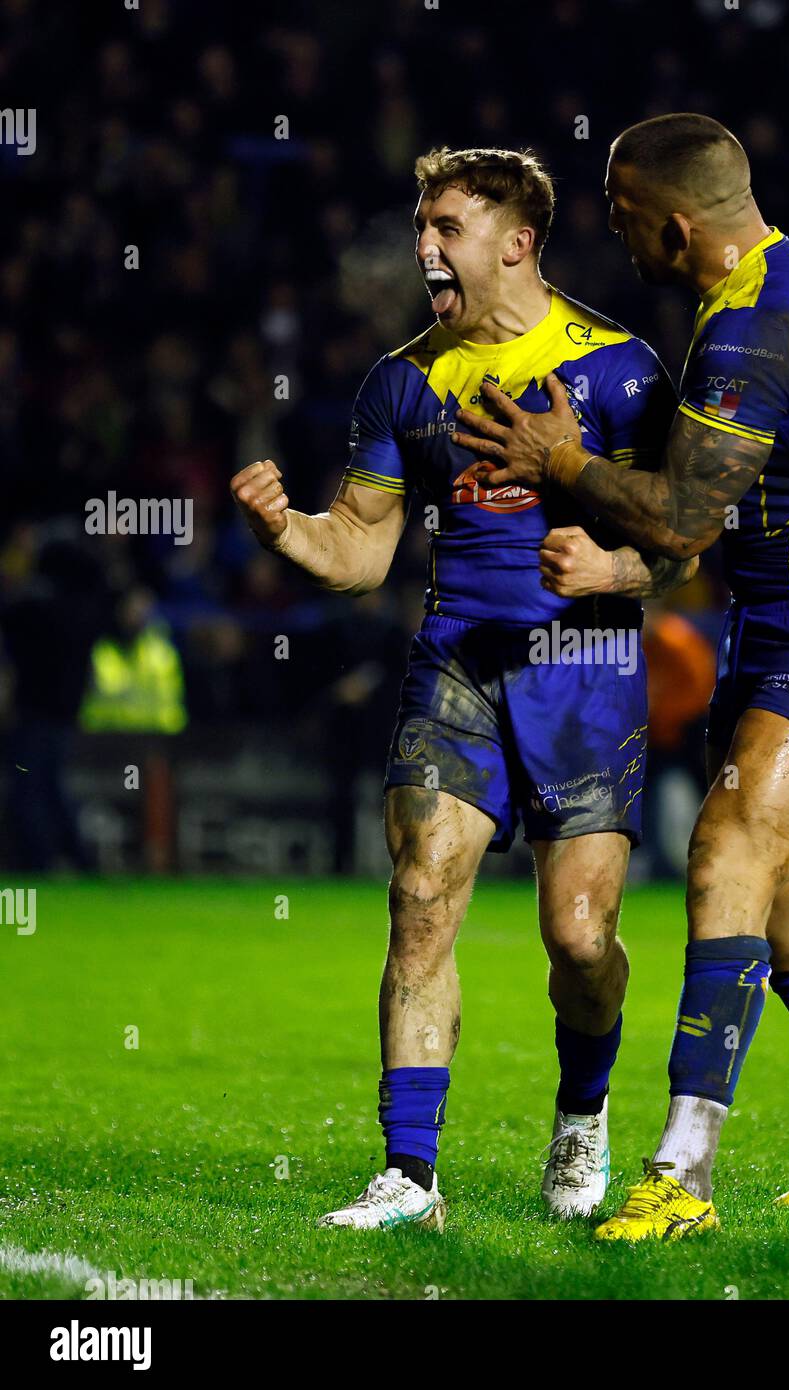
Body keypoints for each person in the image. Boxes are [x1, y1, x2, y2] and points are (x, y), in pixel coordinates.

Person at [453, 114, 789, 1239]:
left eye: (622, 215)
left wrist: (561, 462)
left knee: (723, 849)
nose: (613, 234)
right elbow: (702, 513)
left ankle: (682, 1172)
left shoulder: (748, 331)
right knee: (767, 895)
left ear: (676, 224)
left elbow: (682, 515)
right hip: (781, 625)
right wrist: (613, 533)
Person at [231, 146, 692, 1232]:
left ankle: (582, 1113)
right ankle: (410, 1171)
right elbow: (359, 550)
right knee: (422, 890)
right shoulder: (403, 378)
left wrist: (616, 571)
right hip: (458, 662)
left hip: (585, 667)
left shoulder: (618, 371)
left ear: (515, 241)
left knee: (579, 941)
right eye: (421, 224)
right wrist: (286, 526)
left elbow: (684, 542)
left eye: (446, 225)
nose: (424, 244)